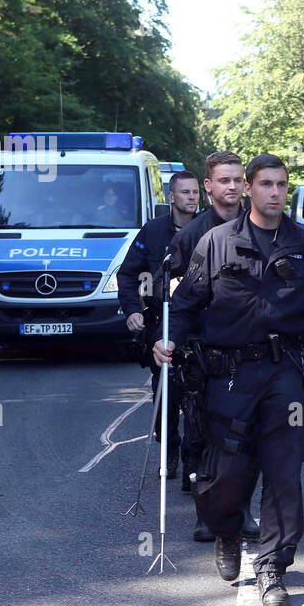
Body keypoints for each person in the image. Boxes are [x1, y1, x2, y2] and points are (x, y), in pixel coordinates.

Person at [154, 154, 304, 606]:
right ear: (249, 190)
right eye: (266, 184)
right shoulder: (215, 243)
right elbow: (186, 305)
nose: (275, 192)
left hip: (283, 373)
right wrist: (165, 342)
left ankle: (273, 566)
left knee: (284, 469)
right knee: (225, 475)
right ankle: (226, 530)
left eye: (282, 185)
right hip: (229, 374)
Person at [169, 152, 261, 544]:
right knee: (203, 438)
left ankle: (241, 511)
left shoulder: (259, 226)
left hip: (248, 352)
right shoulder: (191, 236)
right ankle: (206, 515)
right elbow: (174, 296)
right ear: (209, 186)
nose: (232, 186)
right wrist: (169, 339)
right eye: (224, 180)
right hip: (203, 352)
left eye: (237, 179)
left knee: (248, 438)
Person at [118, 169, 200, 481]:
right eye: (186, 192)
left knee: (200, 394)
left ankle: (196, 458)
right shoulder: (152, 232)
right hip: (161, 322)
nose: (192, 198)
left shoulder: (211, 229)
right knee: (167, 393)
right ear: (171, 197)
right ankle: (169, 448)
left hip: (200, 324)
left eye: (195, 192)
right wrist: (131, 311)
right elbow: (127, 274)